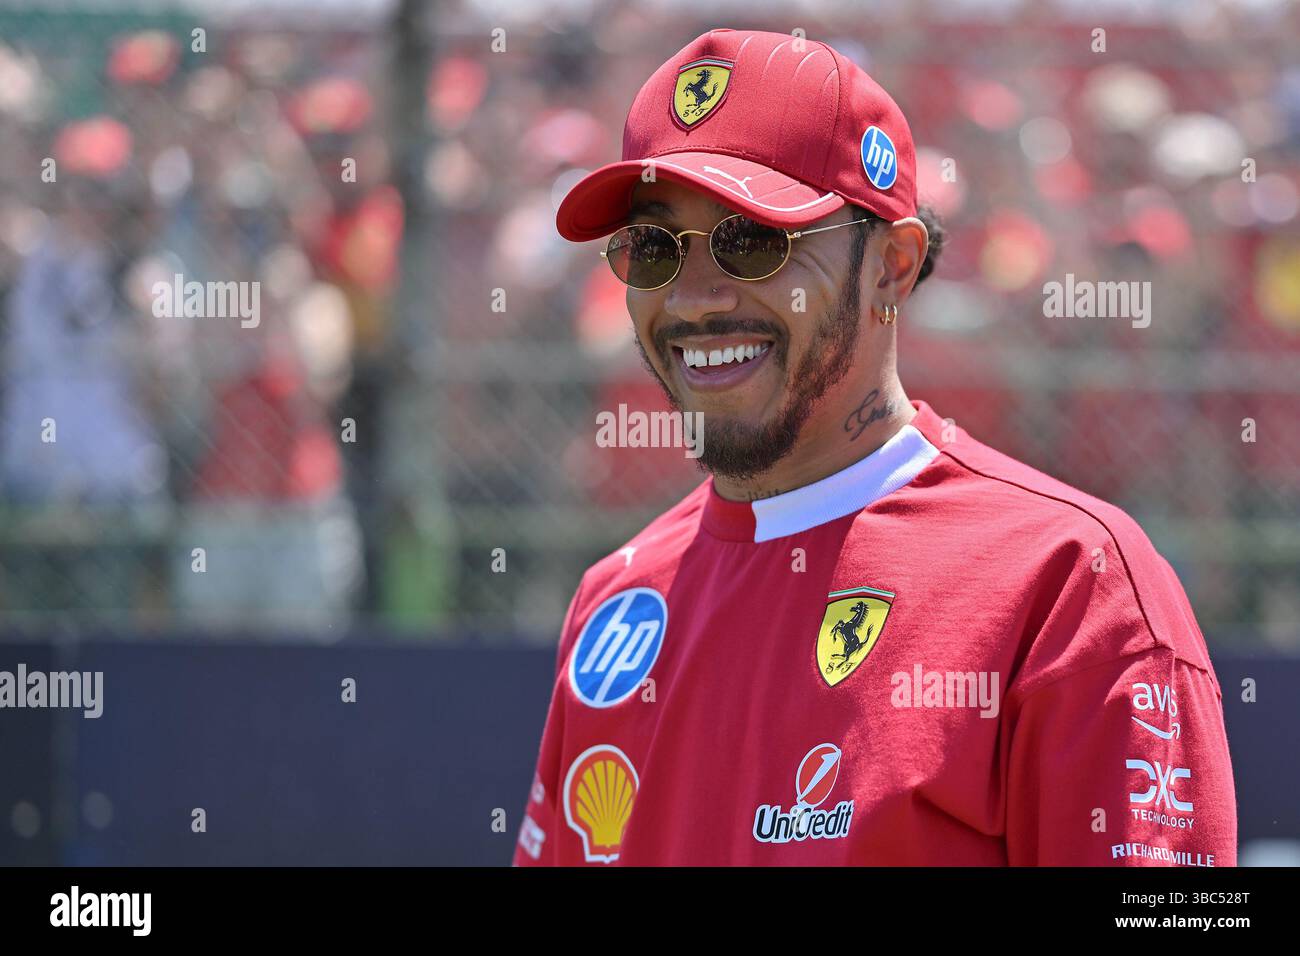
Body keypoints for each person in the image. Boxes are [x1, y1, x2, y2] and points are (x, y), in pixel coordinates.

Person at [513, 29, 1235, 866]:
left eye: (753, 241)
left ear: (892, 266)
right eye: (653, 247)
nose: (696, 298)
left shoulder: (1075, 584)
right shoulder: (617, 600)